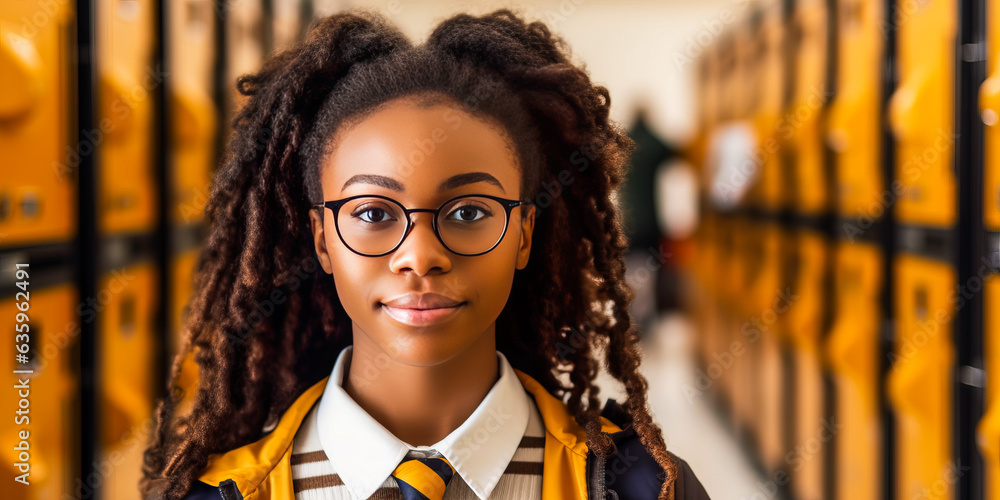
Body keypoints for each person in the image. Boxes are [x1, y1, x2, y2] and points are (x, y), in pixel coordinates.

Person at [140, 8, 711, 500]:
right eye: (372, 214)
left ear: (523, 234)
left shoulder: (644, 488)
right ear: (321, 238)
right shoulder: (215, 494)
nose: (420, 256)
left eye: (468, 213)